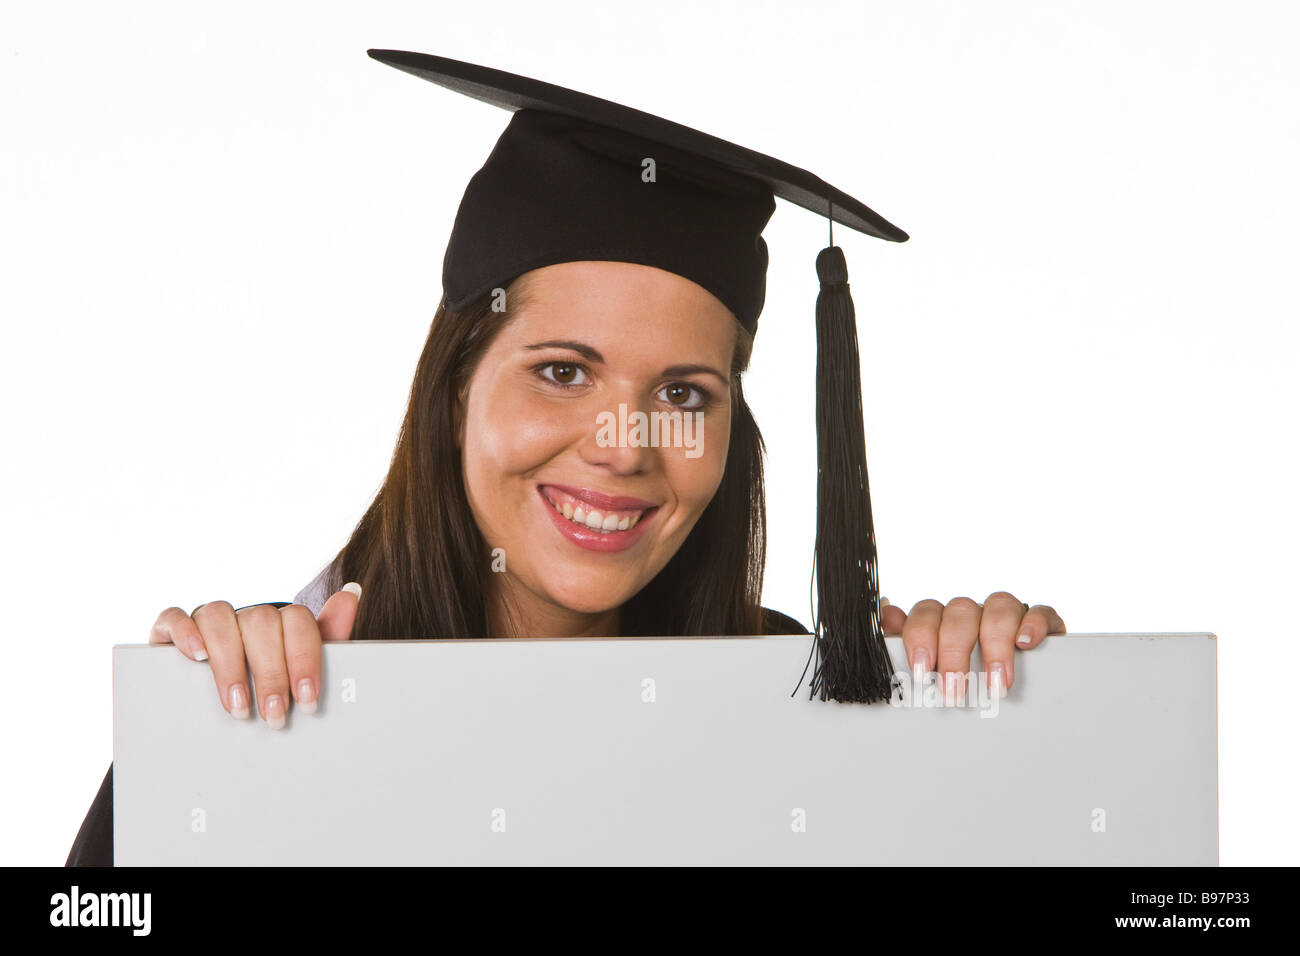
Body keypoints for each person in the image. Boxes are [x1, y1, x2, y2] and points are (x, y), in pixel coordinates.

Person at [66, 51, 1065, 867]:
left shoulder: (795, 699)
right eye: (559, 371)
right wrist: (199, 764)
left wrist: (1013, 727)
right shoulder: (278, 698)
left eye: (683, 394)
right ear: (455, 386)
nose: (623, 446)